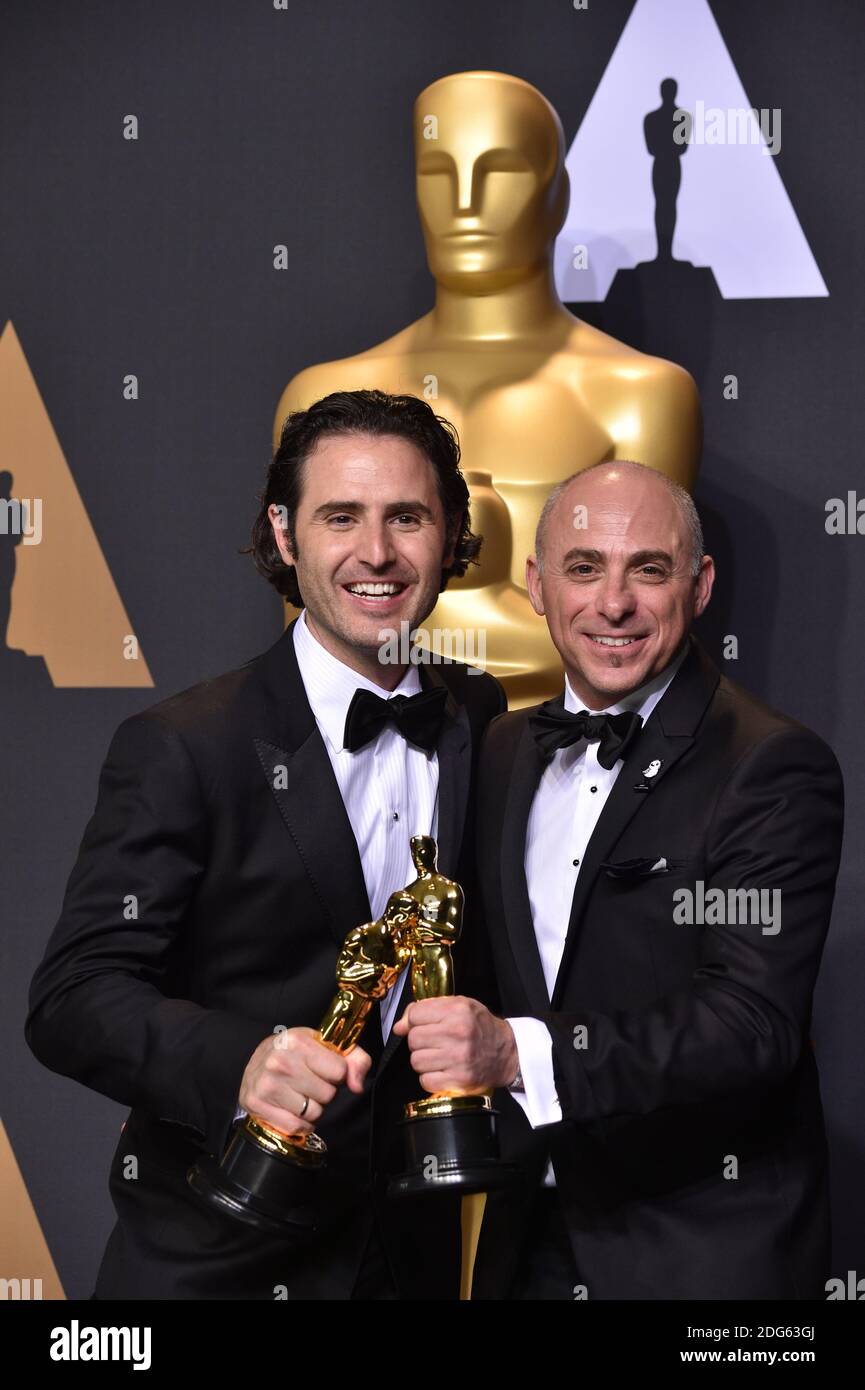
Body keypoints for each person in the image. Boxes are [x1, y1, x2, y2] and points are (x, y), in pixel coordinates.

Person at [25, 388, 505, 1300]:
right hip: (217, 1255)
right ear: (285, 537)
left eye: (407, 517)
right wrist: (241, 1063)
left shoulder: (478, 718)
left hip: (409, 1262)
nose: (376, 553)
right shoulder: (185, 744)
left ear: (450, 536)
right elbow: (73, 999)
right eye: (341, 517)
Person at [396, 459, 844, 1300]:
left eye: (648, 569)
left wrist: (517, 1051)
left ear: (700, 585)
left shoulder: (771, 764)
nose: (612, 604)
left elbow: (751, 1023)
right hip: (526, 1241)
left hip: (705, 1257)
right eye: (581, 568)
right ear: (534, 584)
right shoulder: (499, 748)